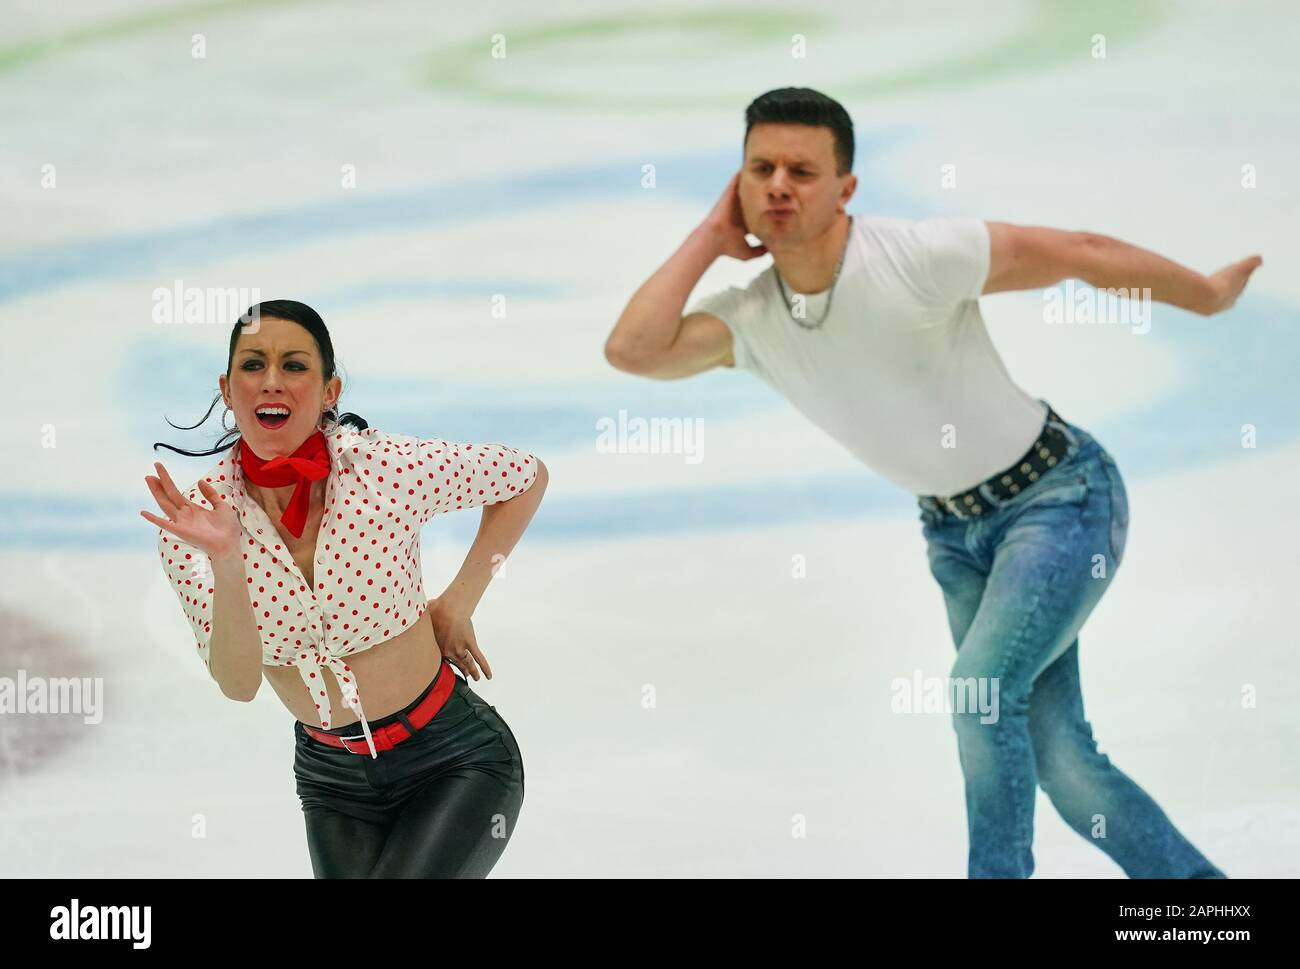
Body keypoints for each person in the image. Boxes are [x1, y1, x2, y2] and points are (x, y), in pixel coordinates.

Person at [604, 87, 1260, 878]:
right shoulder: (751, 318)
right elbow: (633, 351)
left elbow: (1081, 251)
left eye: (803, 170)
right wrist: (710, 236)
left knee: (982, 697)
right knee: (1064, 764)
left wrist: (1209, 296)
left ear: (846, 188)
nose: (779, 185)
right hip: (954, 538)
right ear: (736, 185)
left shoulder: (918, 255)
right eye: (760, 169)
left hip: (1060, 498)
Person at [143, 299, 547, 877]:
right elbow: (237, 683)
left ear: (331, 390)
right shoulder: (196, 523)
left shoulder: (387, 470)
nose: (272, 381)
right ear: (227, 389)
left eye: (295, 365)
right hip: (332, 784)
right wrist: (228, 562)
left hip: (454, 760)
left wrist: (459, 600)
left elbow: (525, 478)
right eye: (253, 365)